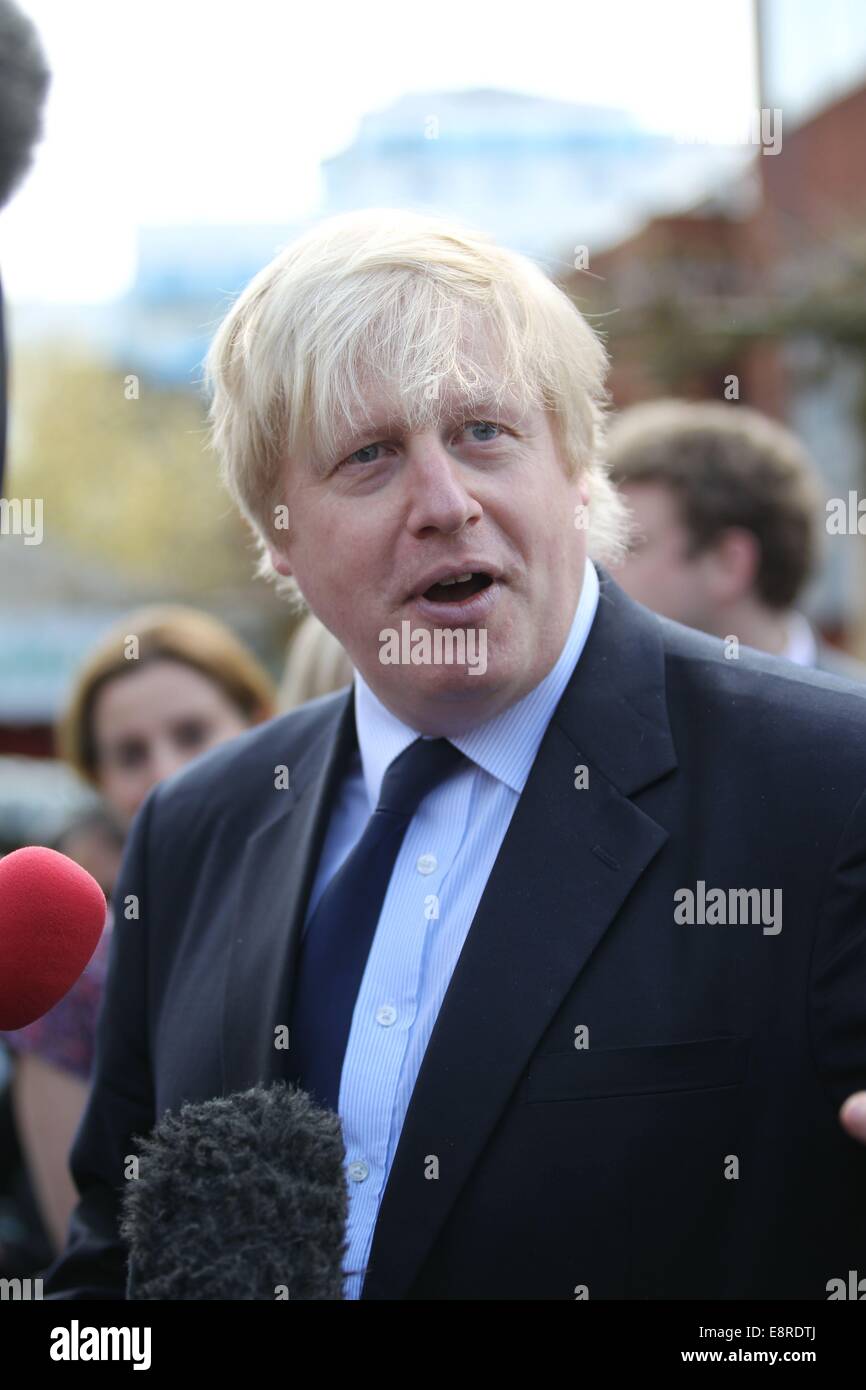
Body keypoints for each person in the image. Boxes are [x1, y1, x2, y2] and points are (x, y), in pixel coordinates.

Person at [44, 209, 866, 1301]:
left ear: (575, 471)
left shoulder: (824, 787)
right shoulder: (199, 826)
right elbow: (110, 1265)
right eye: (370, 455)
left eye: (483, 431)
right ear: (279, 536)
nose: (444, 502)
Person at [1, 605, 276, 1254]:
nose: (164, 772)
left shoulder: (339, 899)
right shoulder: (77, 971)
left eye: (193, 733)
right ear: (98, 780)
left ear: (260, 729)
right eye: (130, 754)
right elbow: (86, 1241)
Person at [605, 398, 866, 678]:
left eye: (630, 545)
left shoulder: (853, 715)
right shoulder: (602, 710)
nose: (603, 568)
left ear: (729, 563)